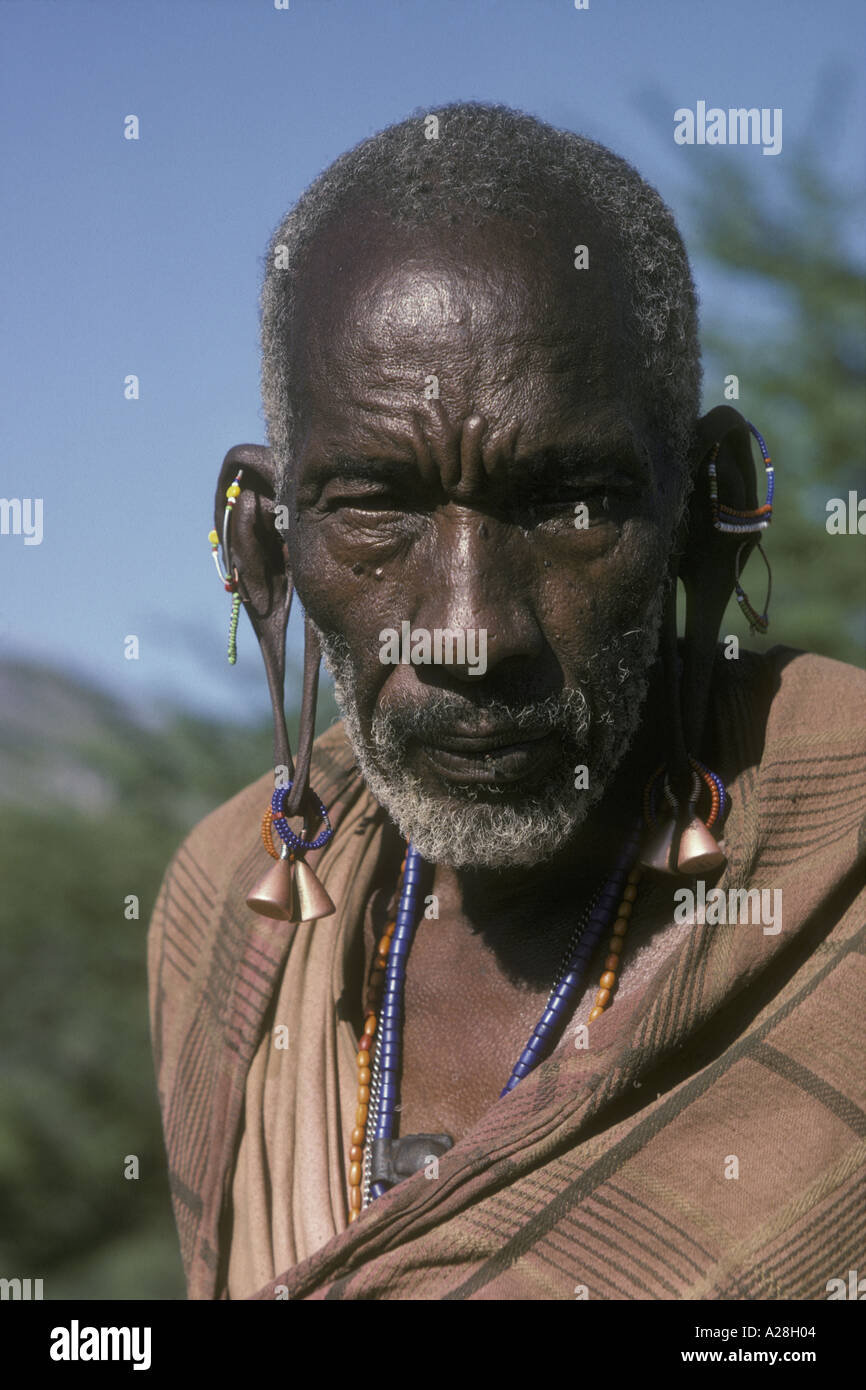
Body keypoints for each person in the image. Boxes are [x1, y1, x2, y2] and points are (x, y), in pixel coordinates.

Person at [148, 102, 865, 1301]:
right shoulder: (229, 911)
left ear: (709, 514)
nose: (469, 631)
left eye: (569, 503)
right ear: (262, 546)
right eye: (375, 506)